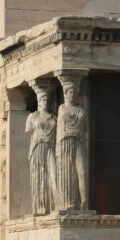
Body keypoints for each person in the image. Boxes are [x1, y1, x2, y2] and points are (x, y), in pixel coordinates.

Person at [56, 75, 88, 211]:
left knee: (82, 171)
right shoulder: (62, 109)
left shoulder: (81, 111)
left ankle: (84, 202)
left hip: (79, 142)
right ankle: (69, 204)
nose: (73, 94)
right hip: (65, 143)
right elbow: (59, 130)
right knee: (67, 172)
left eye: (75, 92)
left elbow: (86, 129)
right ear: (65, 93)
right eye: (70, 92)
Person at [25, 86, 57, 214]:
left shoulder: (54, 117)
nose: (44, 102)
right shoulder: (32, 117)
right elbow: (29, 131)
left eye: (46, 100)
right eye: (42, 100)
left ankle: (56, 205)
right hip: (37, 148)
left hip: (51, 148)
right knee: (40, 177)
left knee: (53, 176)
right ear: (38, 101)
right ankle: (41, 207)